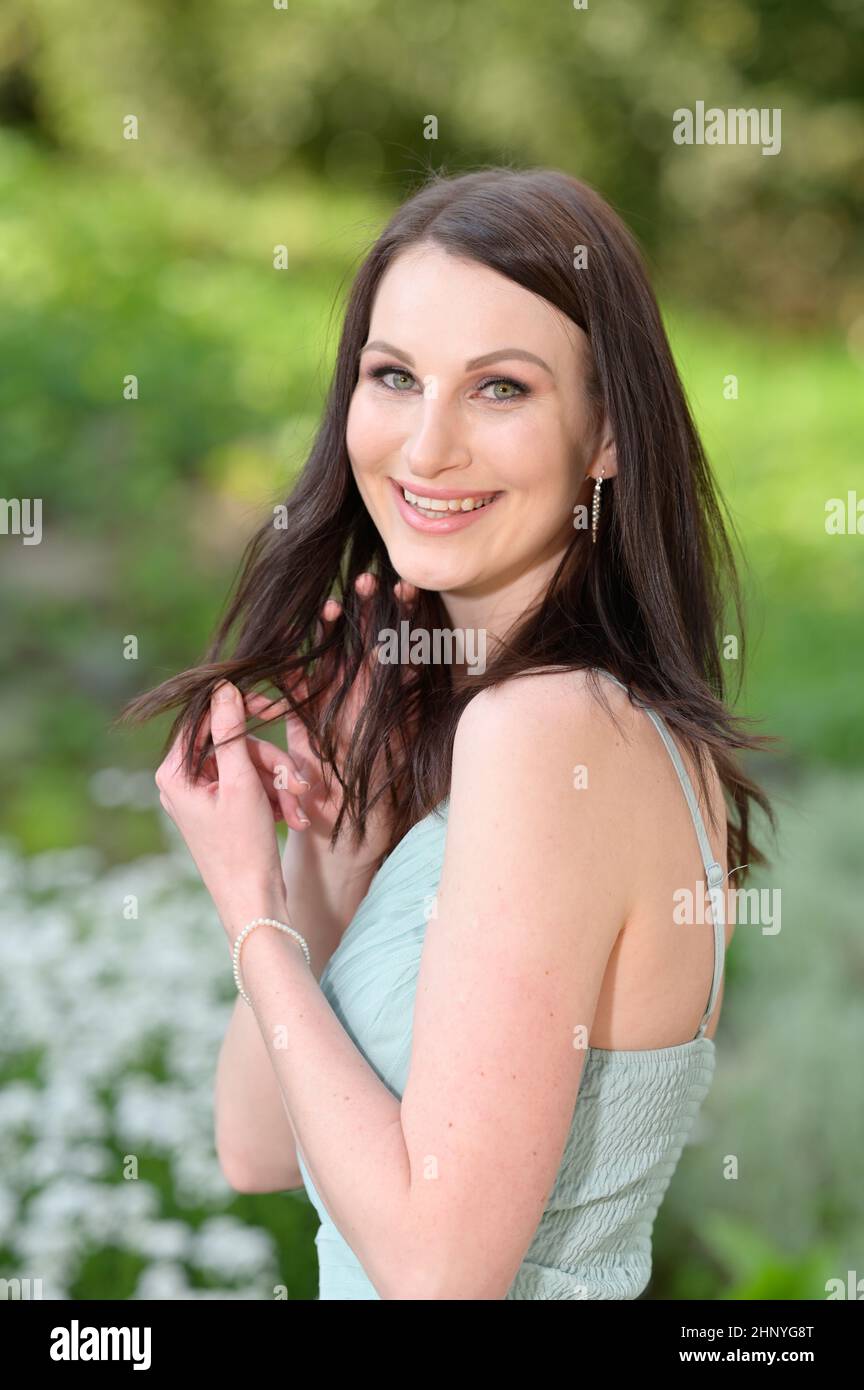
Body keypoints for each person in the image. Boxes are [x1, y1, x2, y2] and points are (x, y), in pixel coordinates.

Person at [118, 166, 775, 1300]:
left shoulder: (550, 733)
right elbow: (259, 1148)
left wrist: (243, 900)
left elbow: (438, 1271)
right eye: (395, 376)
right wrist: (326, 864)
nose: (426, 448)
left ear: (607, 432)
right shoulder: (576, 729)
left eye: (500, 389)